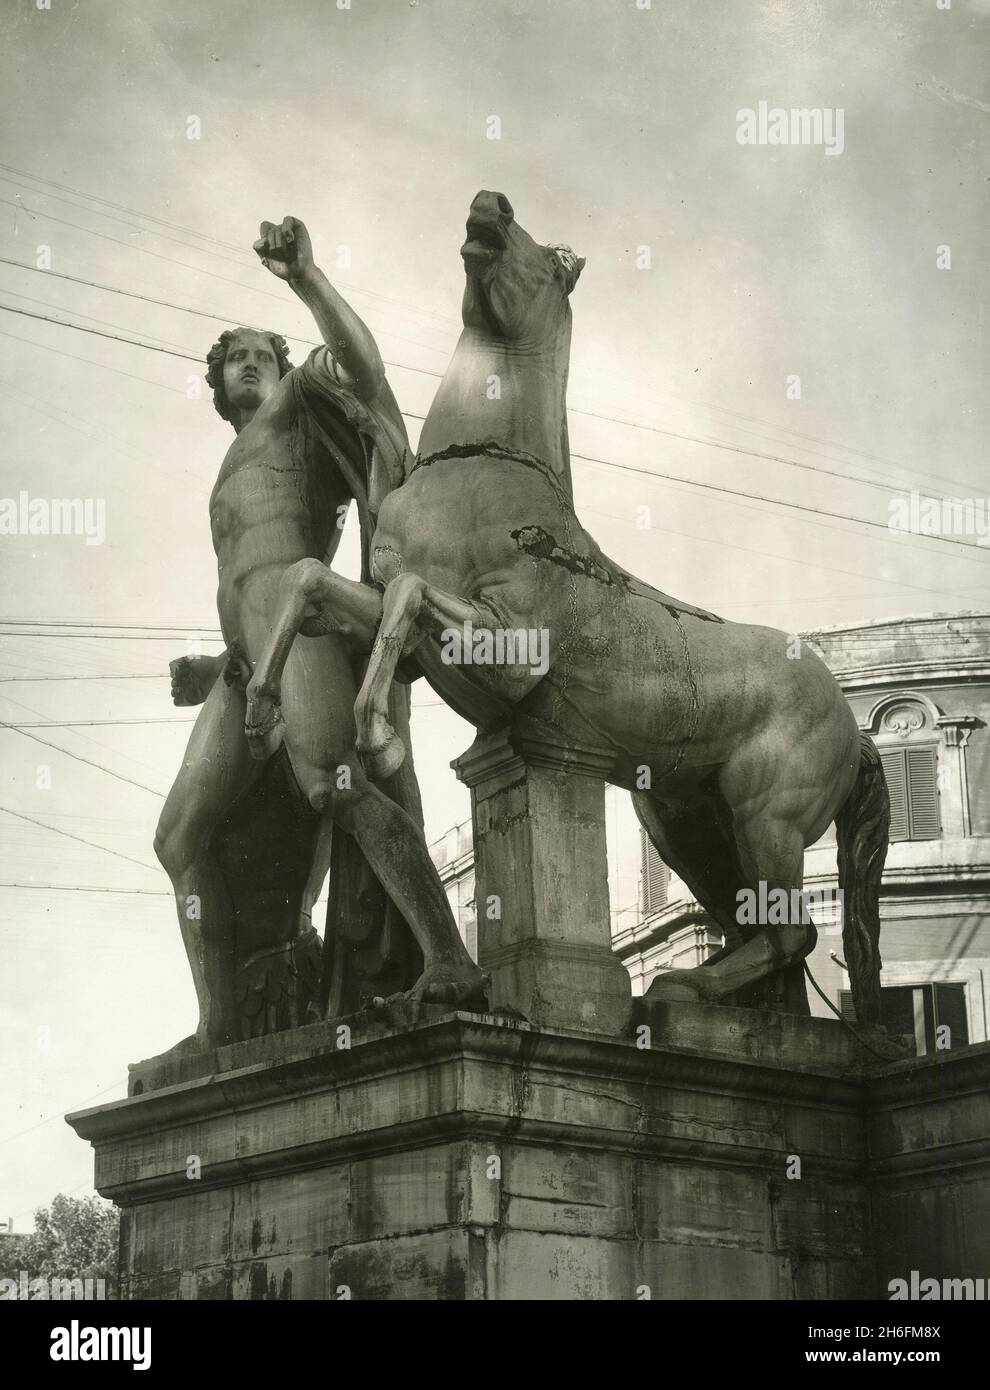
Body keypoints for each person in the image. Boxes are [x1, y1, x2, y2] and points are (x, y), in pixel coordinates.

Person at [155, 216, 486, 1048]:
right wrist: (212, 661)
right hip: (245, 660)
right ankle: (217, 1023)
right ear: (217, 382)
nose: (252, 366)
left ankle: (450, 960)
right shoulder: (234, 462)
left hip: (301, 632)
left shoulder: (301, 405)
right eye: (237, 359)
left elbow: (364, 368)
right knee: (179, 836)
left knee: (336, 788)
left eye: (263, 355)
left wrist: (304, 279)